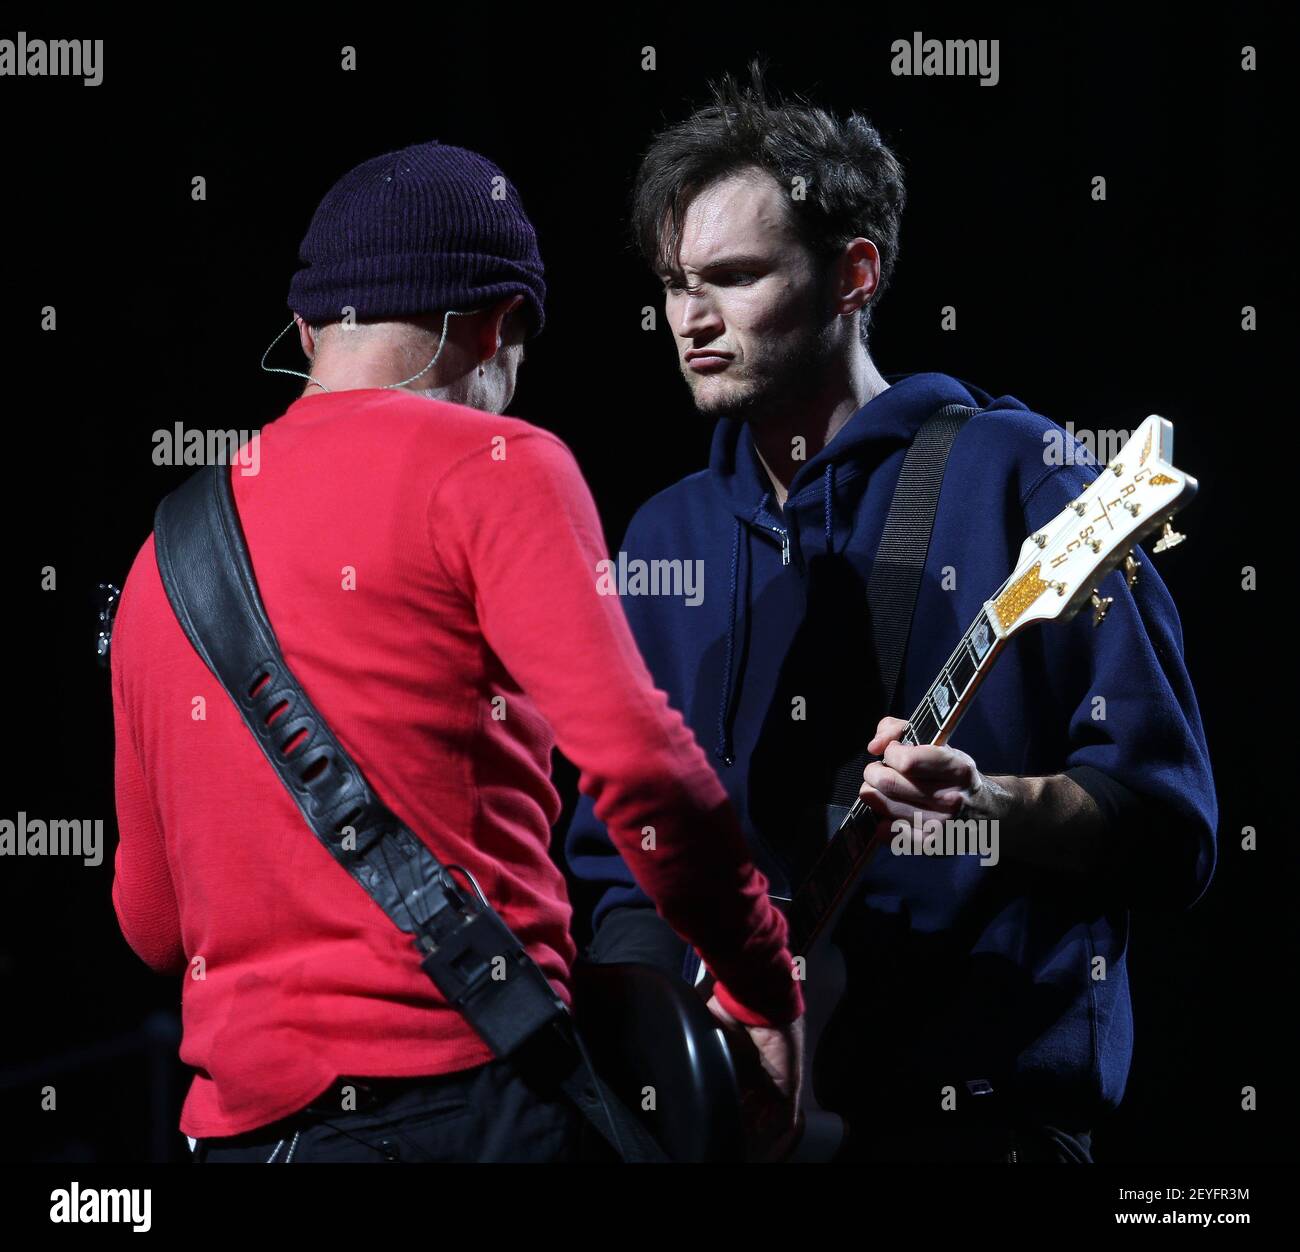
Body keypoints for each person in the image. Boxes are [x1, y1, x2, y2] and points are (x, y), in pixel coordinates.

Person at [564, 68, 1217, 1163]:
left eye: (733, 277)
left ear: (852, 274)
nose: (690, 319)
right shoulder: (662, 537)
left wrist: (991, 804)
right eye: (677, 283)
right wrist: (689, 1026)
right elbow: (611, 855)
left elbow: (1171, 828)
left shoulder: (1021, 473)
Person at [109, 139, 803, 1164]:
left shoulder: (159, 559)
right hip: (466, 1101)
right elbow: (642, 767)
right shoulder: (496, 465)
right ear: (497, 325)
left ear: (306, 329)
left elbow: (152, 924)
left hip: (239, 1138)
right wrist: (759, 980)